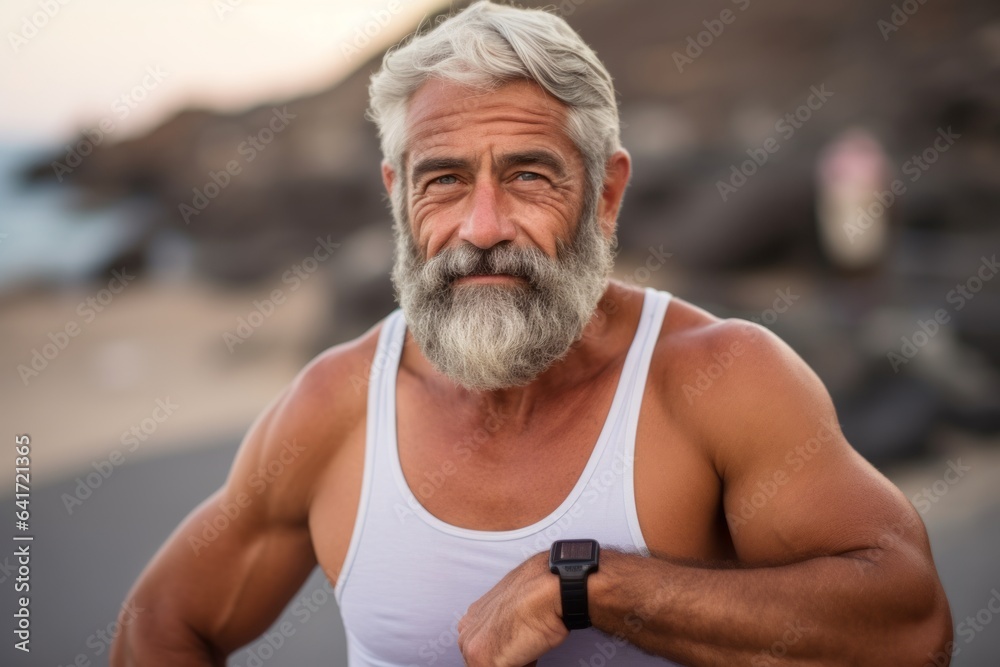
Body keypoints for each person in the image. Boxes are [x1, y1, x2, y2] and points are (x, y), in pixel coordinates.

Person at [111, 2, 953, 665]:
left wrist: (595, 586)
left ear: (606, 194)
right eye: (443, 180)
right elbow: (162, 622)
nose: (482, 226)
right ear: (397, 195)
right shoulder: (335, 405)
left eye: (527, 175)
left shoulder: (717, 380)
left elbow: (911, 627)